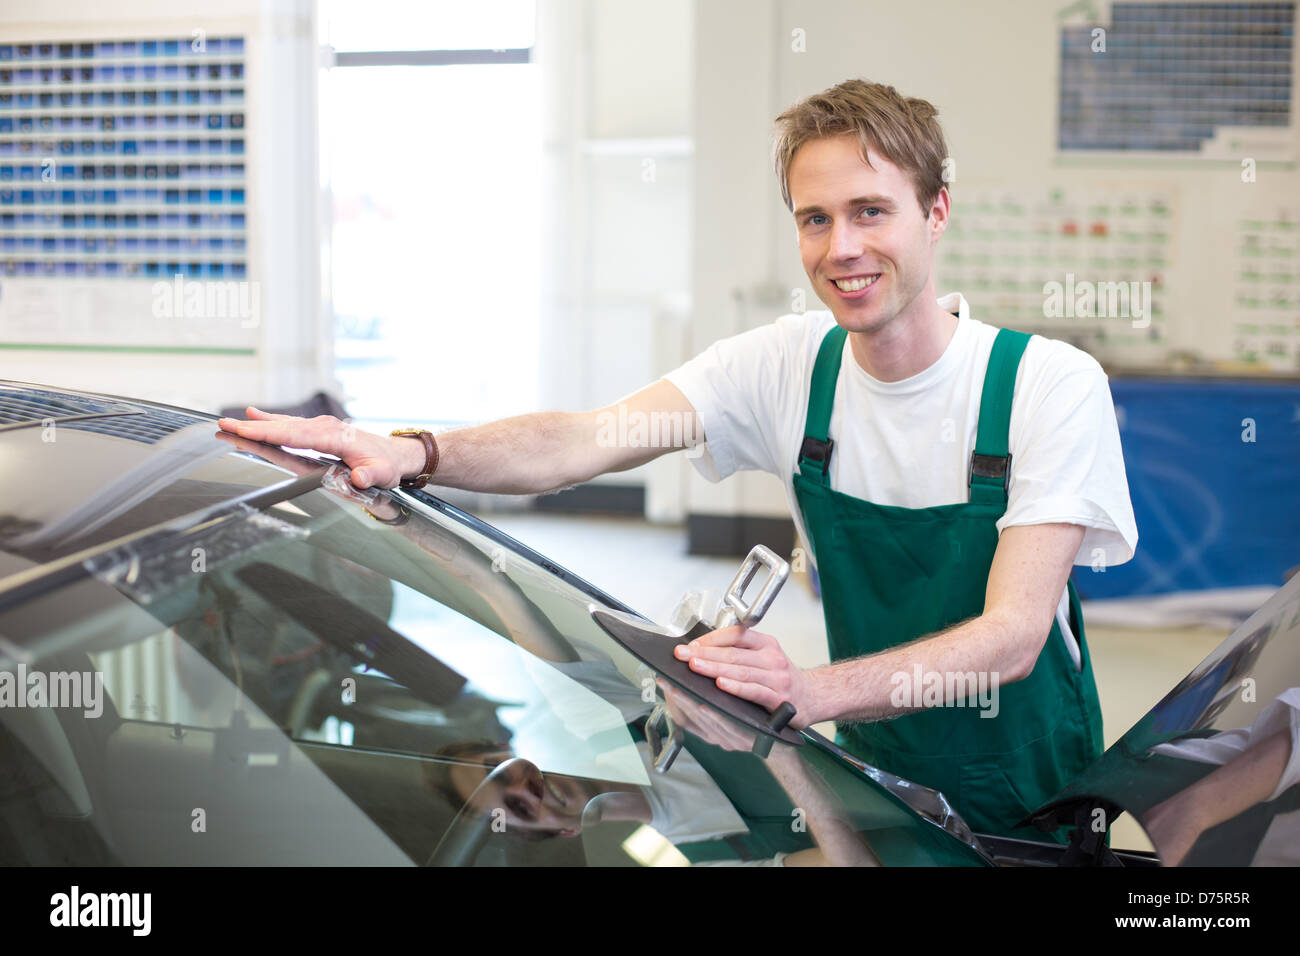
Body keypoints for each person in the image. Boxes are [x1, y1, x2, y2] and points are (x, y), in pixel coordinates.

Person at [219, 78, 1137, 843]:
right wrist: (413, 450)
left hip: (1028, 802)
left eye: (870, 212)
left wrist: (803, 694)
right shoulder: (786, 367)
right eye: (814, 220)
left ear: (936, 212)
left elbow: (1014, 639)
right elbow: (581, 440)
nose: (842, 248)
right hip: (872, 773)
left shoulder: (1044, 385)